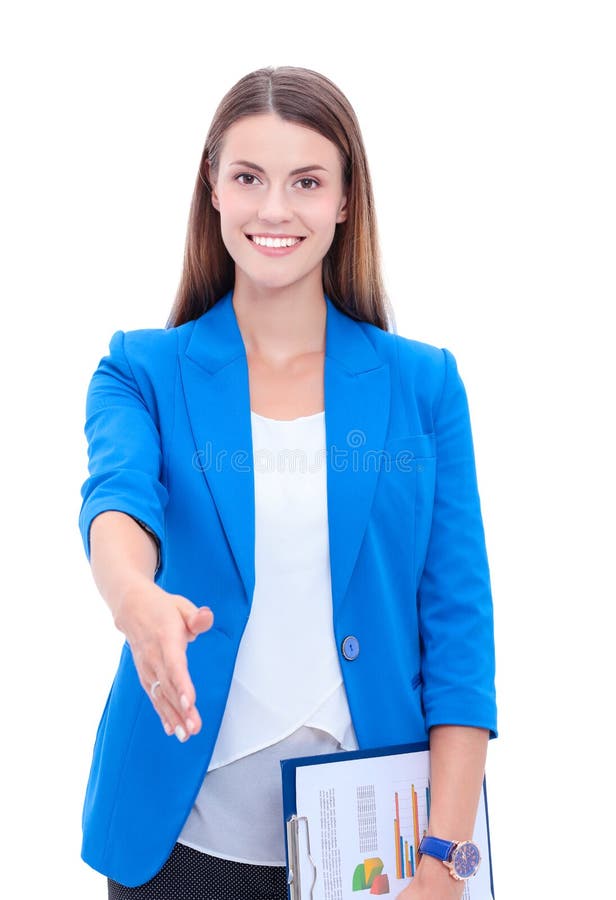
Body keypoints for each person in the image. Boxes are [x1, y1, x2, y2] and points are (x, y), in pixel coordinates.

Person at [78, 65, 497, 900]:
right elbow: (118, 498)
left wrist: (447, 858)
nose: (275, 209)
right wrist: (133, 597)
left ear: (345, 200)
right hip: (176, 847)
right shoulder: (141, 371)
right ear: (214, 189)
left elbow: (458, 630)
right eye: (248, 178)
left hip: (377, 852)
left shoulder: (423, 386)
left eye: (307, 181)